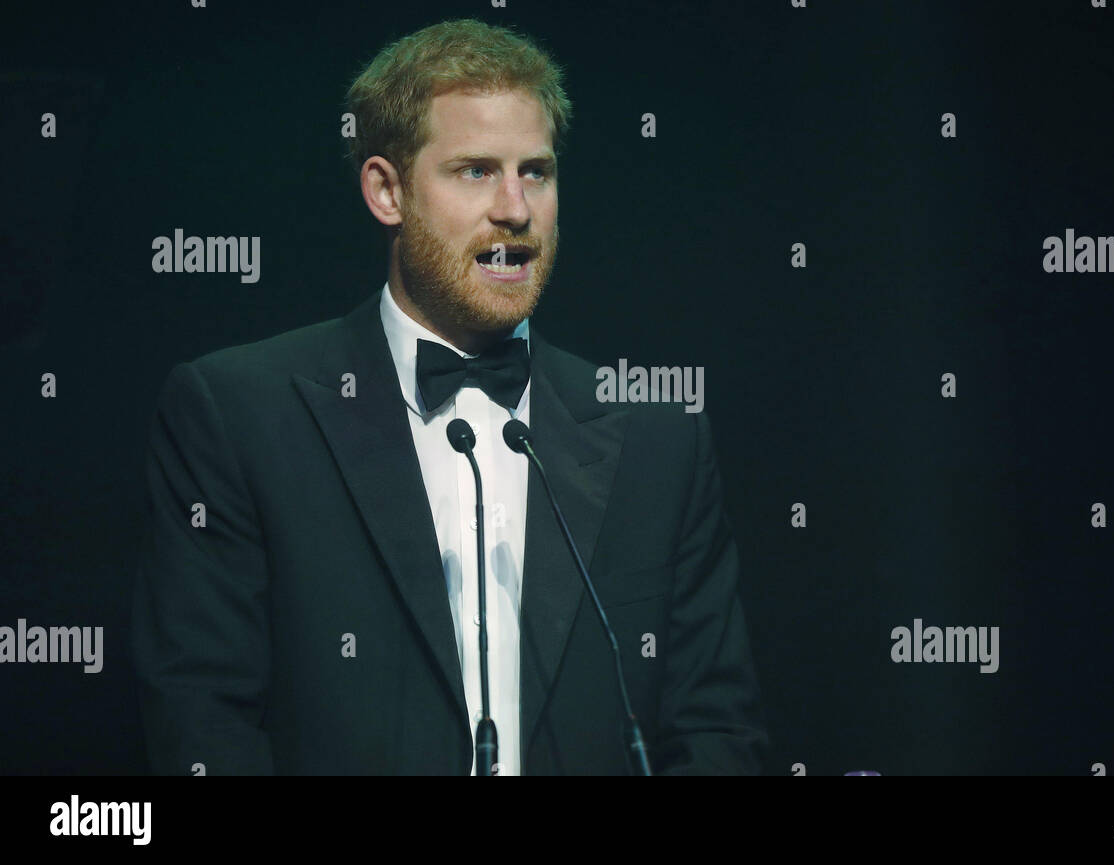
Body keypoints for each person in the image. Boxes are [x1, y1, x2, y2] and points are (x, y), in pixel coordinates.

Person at [132, 18, 767, 775]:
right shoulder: (238, 414)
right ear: (386, 190)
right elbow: (203, 723)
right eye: (475, 171)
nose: (515, 208)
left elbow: (717, 734)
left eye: (536, 171)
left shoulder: (659, 441)